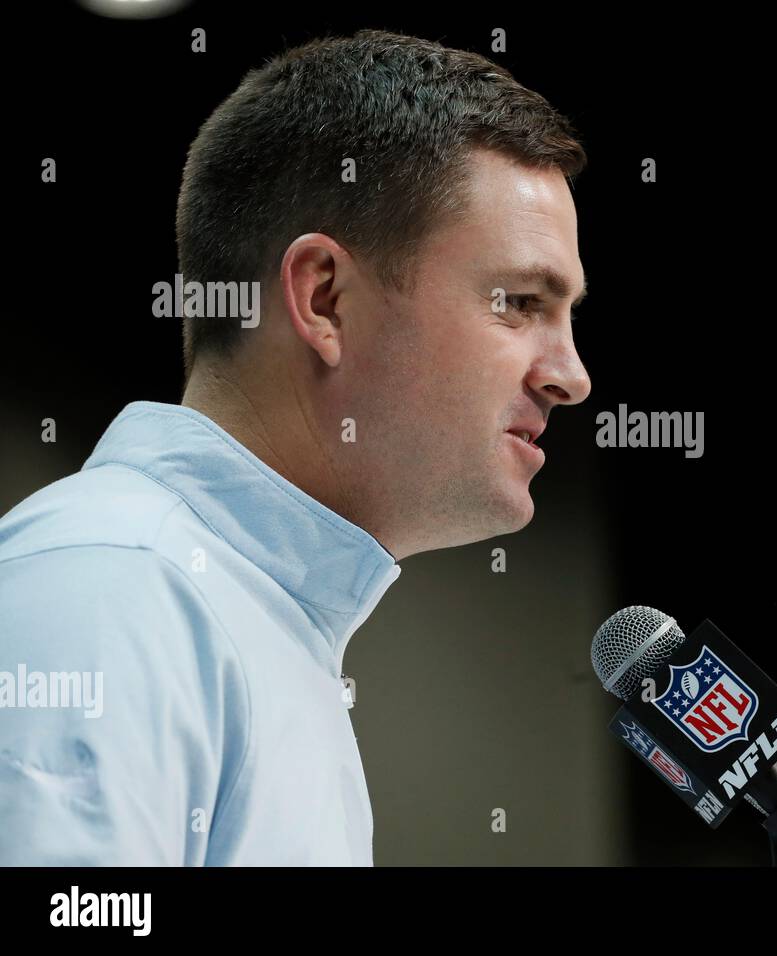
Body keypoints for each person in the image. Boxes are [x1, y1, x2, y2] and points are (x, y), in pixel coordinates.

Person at [0, 29, 591, 865]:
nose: (572, 375)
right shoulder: (110, 594)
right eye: (521, 301)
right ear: (325, 300)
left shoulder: (254, 620)